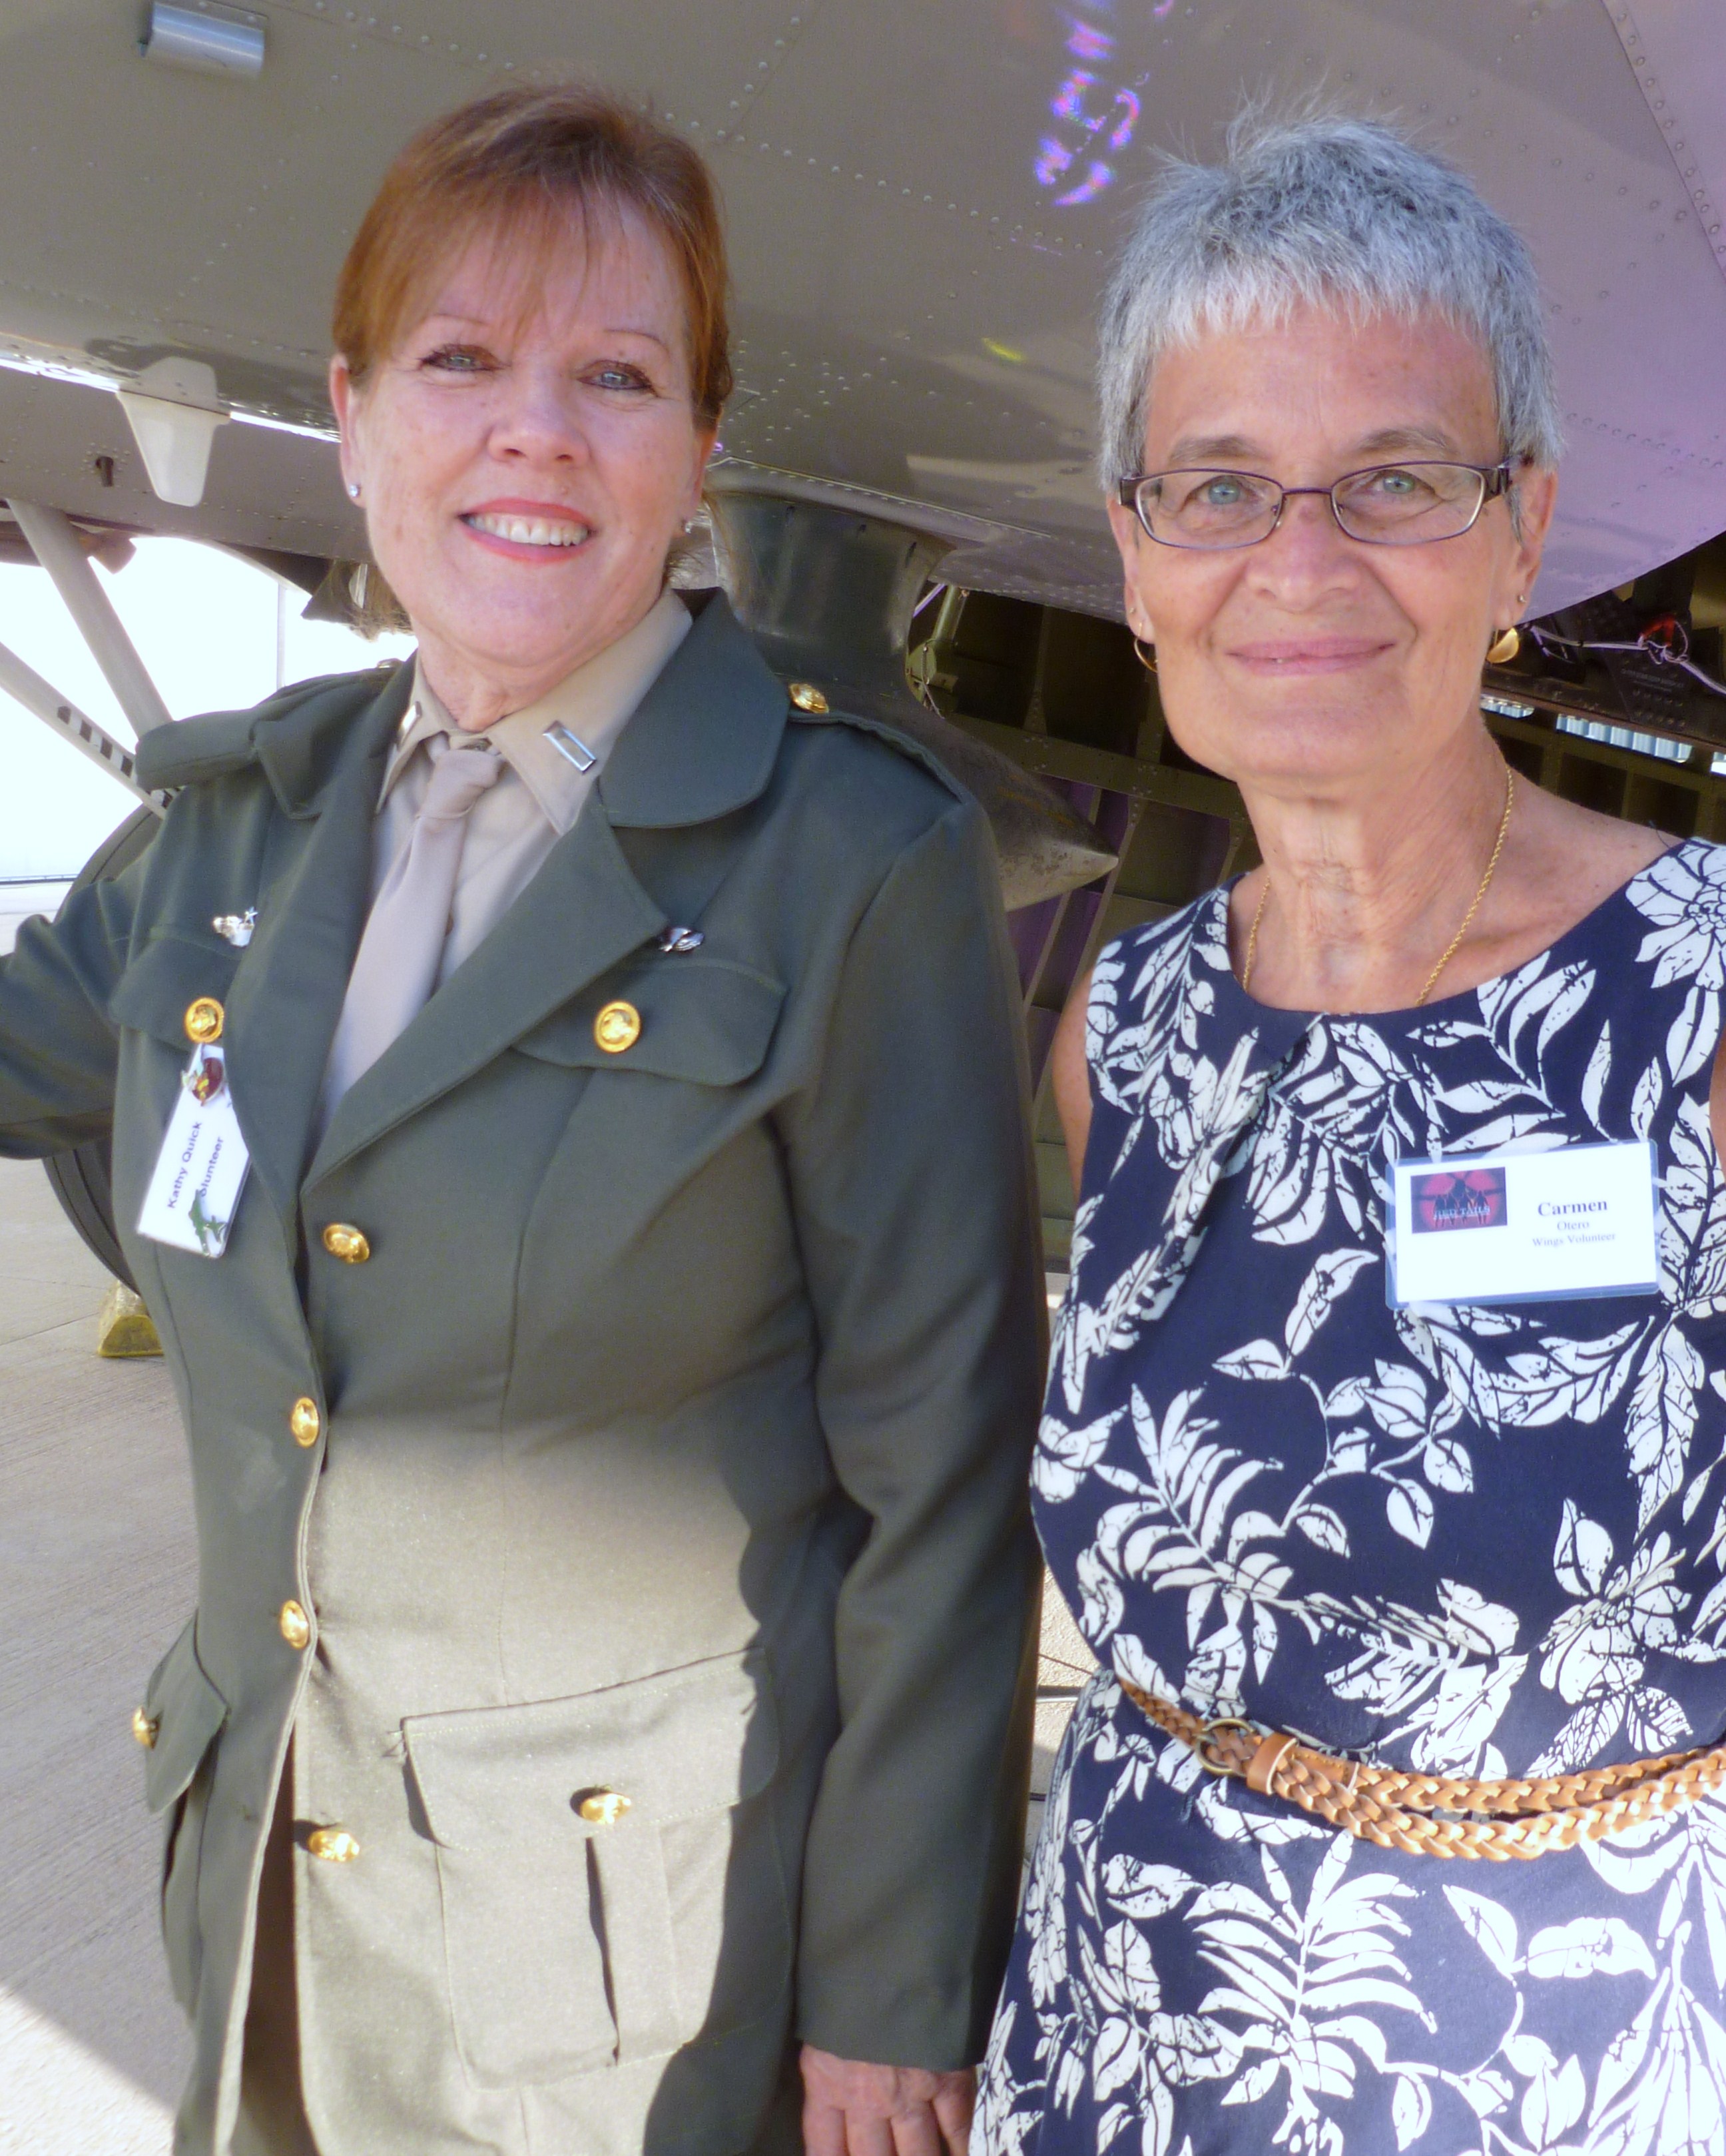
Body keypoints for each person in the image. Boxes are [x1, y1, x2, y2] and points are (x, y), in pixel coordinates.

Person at [3, 86, 1045, 2155]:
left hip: (619, 1990)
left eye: (617, 378)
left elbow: (943, 1483)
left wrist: (892, 1991)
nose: (533, 435)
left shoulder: (847, 861)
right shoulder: (243, 824)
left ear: (699, 449)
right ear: (358, 412)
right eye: (459, 362)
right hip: (274, 1909)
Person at [977, 113, 1726, 2155]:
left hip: (1546, 2077)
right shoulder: (1127, 1034)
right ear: (1134, 554)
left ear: (1522, 528)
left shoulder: (1701, 1009)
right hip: (1119, 2048)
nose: (1297, 568)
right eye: (1220, 487)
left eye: (1391, 480)